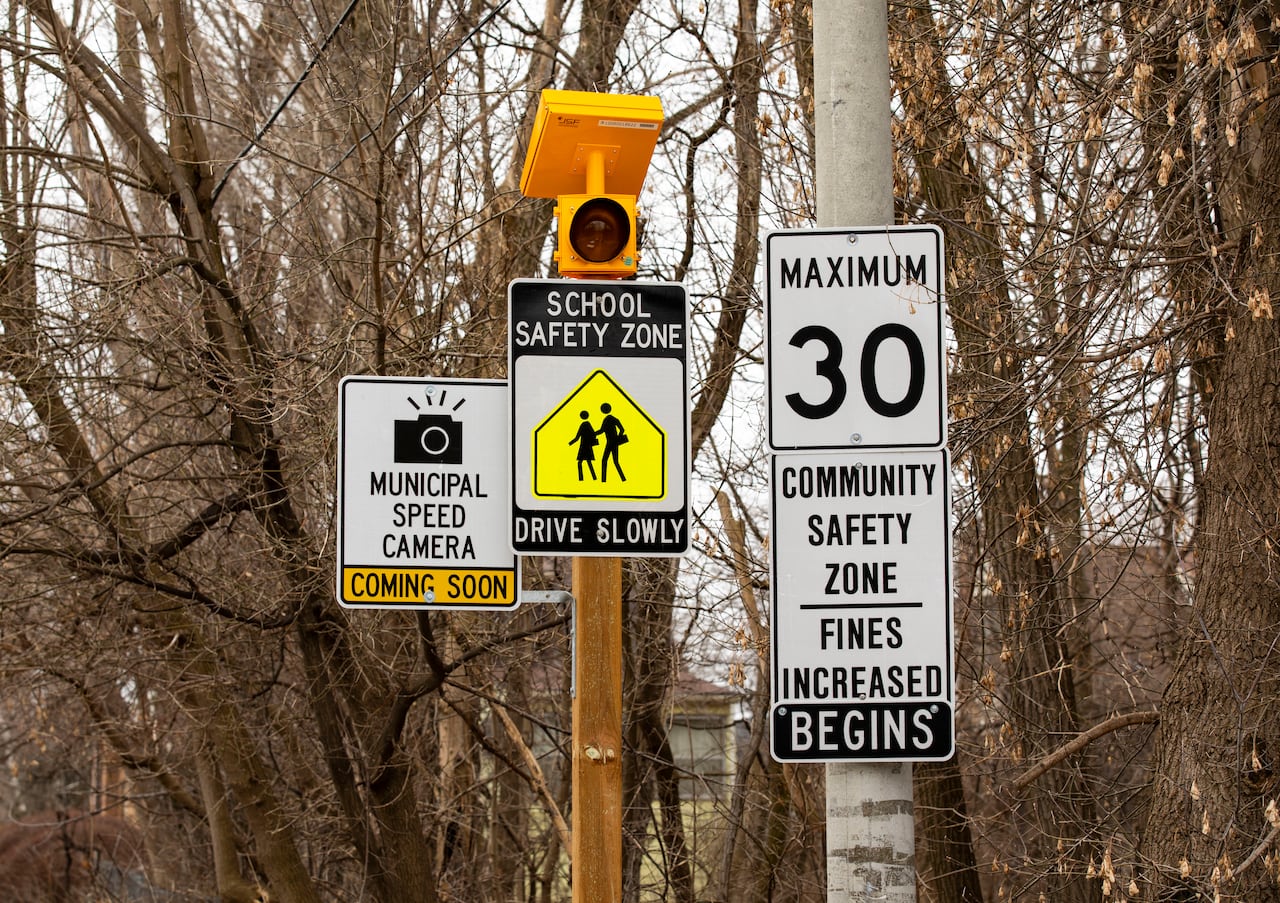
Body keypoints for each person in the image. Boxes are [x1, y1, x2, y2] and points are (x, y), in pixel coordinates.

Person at [596, 402, 627, 483]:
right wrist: (618, 438)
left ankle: (603, 480)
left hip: (610, 443)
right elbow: (622, 430)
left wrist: (593, 434)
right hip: (613, 443)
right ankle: (623, 479)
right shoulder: (614, 419)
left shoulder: (606, 420)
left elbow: (601, 431)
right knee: (615, 461)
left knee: (604, 460)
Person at [569, 410, 598, 480]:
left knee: (580, 463)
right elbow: (594, 434)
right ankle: (594, 477)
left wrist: (570, 443)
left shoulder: (583, 425)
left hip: (583, 447)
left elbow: (577, 438)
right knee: (588, 463)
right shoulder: (588, 424)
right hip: (588, 446)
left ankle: (581, 478)